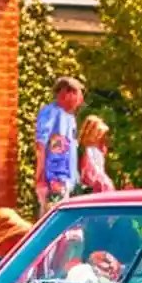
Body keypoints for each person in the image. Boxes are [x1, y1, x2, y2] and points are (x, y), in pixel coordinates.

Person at [34, 78, 85, 210]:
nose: (80, 101)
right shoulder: (51, 113)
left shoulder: (70, 118)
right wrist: (41, 176)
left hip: (66, 181)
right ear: (65, 93)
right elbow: (41, 145)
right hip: (54, 180)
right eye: (77, 95)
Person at [78, 115, 115, 194]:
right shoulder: (84, 150)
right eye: (98, 133)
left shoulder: (98, 150)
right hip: (93, 187)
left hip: (102, 186)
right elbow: (88, 172)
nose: (99, 136)